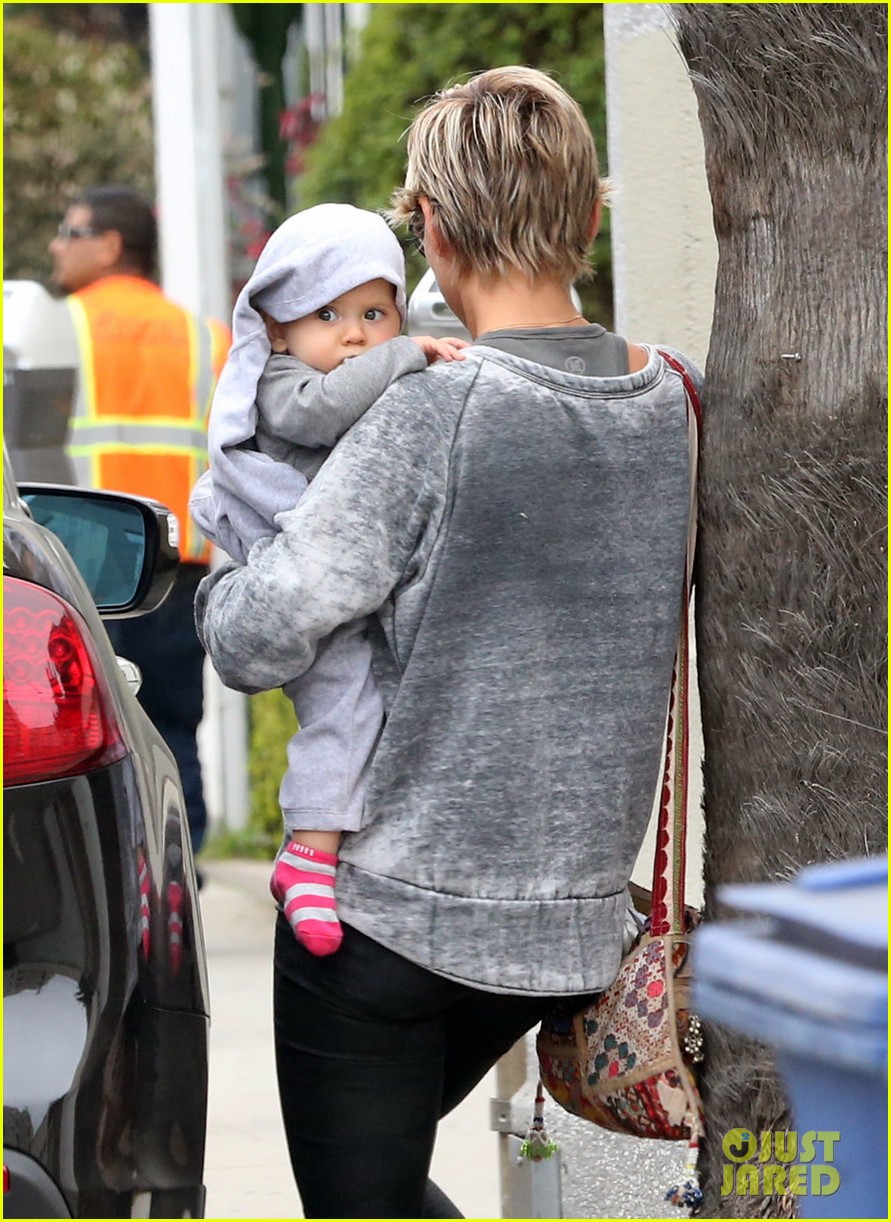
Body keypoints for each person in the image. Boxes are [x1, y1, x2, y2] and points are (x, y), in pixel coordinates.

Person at [195, 66, 702, 1219]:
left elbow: (257, 638)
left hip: (385, 927)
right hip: (572, 937)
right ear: (586, 218)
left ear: (429, 226)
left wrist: (227, 560)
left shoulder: (431, 410)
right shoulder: (681, 401)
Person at [189, 204, 467, 954]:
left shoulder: (352, 367)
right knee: (341, 703)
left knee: (372, 707)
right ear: (276, 327)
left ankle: (333, 843)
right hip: (283, 559)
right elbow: (320, 416)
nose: (354, 334)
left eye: (374, 313)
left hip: (341, 575)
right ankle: (307, 853)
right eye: (328, 314)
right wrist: (402, 353)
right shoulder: (285, 382)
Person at [49, 185, 230, 863]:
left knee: (79, 731)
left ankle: (100, 865)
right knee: (174, 723)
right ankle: (182, 863)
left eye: (70, 231)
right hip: (179, 563)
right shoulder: (204, 336)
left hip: (79, 565)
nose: (56, 246)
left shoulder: (55, 329)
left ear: (111, 244)